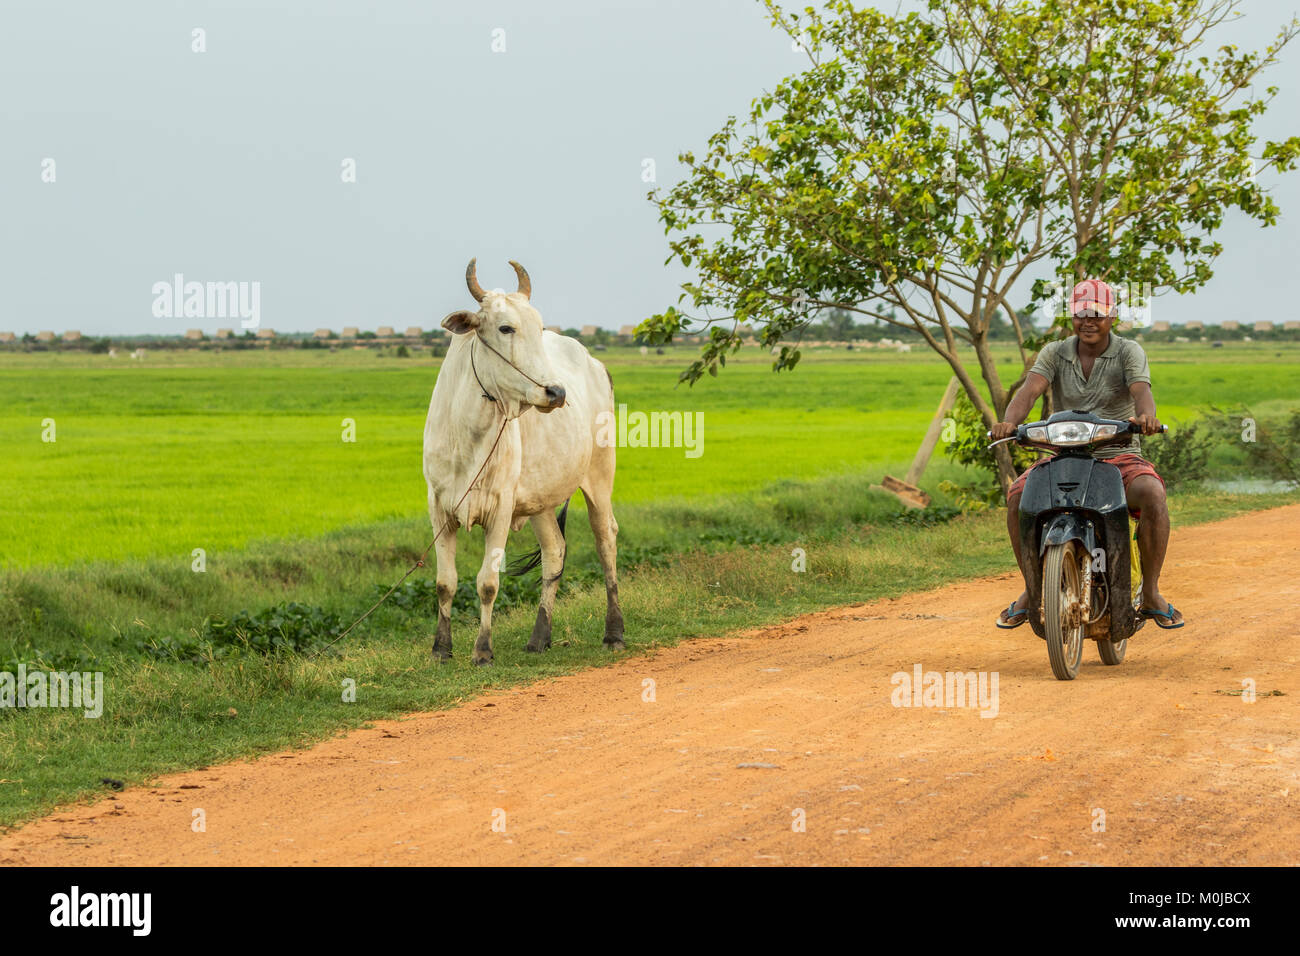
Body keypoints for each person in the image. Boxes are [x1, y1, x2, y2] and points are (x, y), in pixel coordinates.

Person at [991, 278, 1184, 630]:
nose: (1088, 321)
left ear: (1112, 316)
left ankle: (1153, 593)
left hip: (1118, 455)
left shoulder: (1129, 352)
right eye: (1081, 314)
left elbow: (1141, 390)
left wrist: (1146, 417)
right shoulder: (1054, 352)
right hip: (1065, 457)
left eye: (1097, 313)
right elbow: (1029, 391)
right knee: (1018, 497)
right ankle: (1033, 591)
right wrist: (1008, 423)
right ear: (1072, 317)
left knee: (1153, 492)